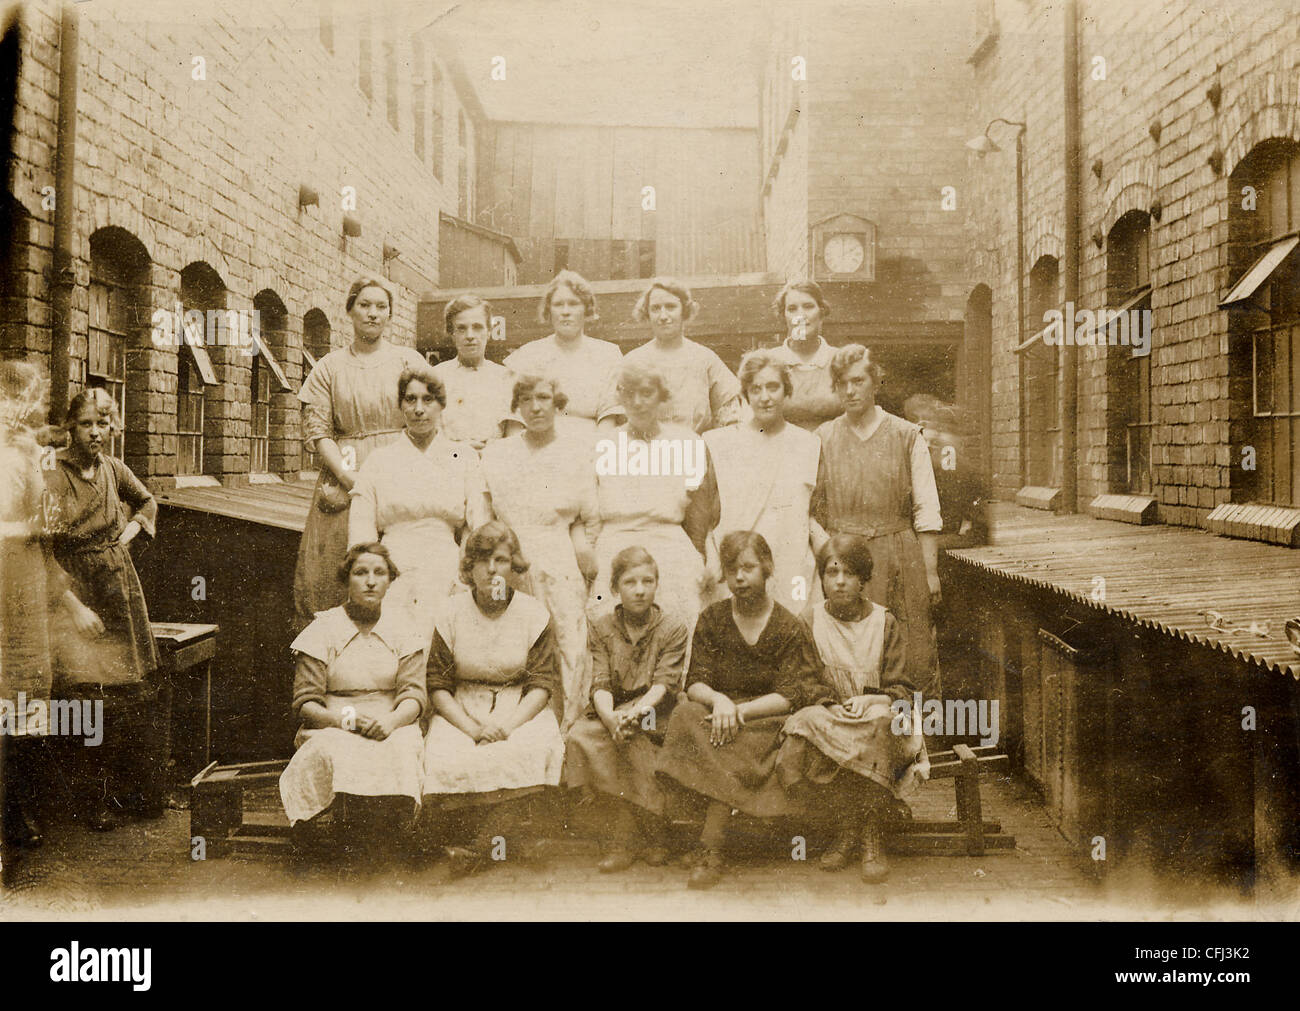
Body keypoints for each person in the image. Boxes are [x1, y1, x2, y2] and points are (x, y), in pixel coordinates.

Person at [655, 531, 827, 889]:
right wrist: (720, 702)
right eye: (731, 569)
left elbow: (790, 694)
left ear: (767, 569)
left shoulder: (787, 625)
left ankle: (711, 845)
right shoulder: (713, 619)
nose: (739, 577)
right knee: (686, 714)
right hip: (720, 717)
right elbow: (694, 681)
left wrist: (739, 713)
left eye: (748, 568)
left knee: (755, 737)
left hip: (765, 719)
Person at [42, 388, 162, 831]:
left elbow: (147, 501)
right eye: (86, 424)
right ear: (70, 428)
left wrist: (128, 535)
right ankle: (89, 801)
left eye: (103, 424)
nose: (95, 433)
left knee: (124, 695)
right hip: (75, 592)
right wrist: (71, 606)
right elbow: (42, 550)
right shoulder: (54, 473)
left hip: (119, 589)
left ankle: (126, 792)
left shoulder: (112, 468)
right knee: (85, 699)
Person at [778, 535, 928, 883]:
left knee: (879, 724)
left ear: (864, 580)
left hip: (878, 712)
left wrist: (874, 699)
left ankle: (870, 833)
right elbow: (805, 682)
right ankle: (846, 829)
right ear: (822, 579)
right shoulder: (810, 620)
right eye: (832, 573)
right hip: (832, 714)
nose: (840, 581)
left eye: (849, 573)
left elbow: (902, 686)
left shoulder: (884, 622)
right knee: (803, 725)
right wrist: (832, 705)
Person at [421, 522, 564, 875]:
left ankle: (481, 849)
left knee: (527, 747)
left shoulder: (534, 614)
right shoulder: (450, 612)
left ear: (514, 567)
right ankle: (501, 843)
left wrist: (506, 725)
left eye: (501, 560)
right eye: (482, 561)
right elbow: (437, 683)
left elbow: (542, 685)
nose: (492, 569)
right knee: (445, 752)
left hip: (521, 708)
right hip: (462, 706)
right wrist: (472, 728)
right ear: (469, 569)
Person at [293, 276, 426, 631]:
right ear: (350, 310)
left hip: (402, 469)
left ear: (390, 315)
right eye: (365, 305)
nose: (373, 314)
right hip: (346, 474)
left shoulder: (407, 362)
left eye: (381, 307)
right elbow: (319, 433)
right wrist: (350, 478)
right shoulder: (329, 368)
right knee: (341, 568)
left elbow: (428, 418)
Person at [278, 543, 426, 856]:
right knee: (337, 750)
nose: (370, 581)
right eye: (361, 573)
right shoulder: (324, 628)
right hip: (333, 720)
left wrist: (390, 721)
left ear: (389, 580)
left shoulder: (403, 627)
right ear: (347, 580)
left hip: (390, 719)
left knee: (400, 747)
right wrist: (348, 720)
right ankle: (337, 831)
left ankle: (390, 836)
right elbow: (306, 703)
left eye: (379, 573)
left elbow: (413, 694)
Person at [813, 345, 943, 695]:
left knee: (911, 648)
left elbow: (926, 508)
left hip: (899, 556)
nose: (850, 390)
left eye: (858, 380)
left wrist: (929, 571)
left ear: (875, 382)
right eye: (842, 383)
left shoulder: (905, 435)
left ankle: (916, 742)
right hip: (845, 559)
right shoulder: (823, 438)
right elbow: (812, 508)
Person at [480, 376, 600, 731]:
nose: (536, 407)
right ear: (517, 405)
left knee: (567, 639)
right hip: (507, 558)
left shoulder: (576, 453)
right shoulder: (498, 453)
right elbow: (483, 513)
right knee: (509, 639)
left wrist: (577, 543)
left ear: (557, 403)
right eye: (527, 399)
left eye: (544, 398)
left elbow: (590, 517)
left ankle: (569, 727)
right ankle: (515, 726)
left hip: (558, 557)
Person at [348, 364, 490, 646]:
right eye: (410, 399)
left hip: (446, 566)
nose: (419, 409)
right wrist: (370, 576)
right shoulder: (379, 461)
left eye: (428, 399)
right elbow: (361, 528)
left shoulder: (463, 457)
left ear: (441, 405)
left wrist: (466, 573)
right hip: (391, 566)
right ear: (400, 405)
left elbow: (479, 522)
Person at [565, 547, 687, 872]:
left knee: (635, 739)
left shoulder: (673, 627)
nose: (640, 589)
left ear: (657, 584)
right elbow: (601, 682)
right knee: (579, 737)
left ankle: (627, 839)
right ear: (616, 587)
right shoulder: (602, 627)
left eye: (648, 581)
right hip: (613, 710)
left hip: (656, 711)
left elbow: (665, 684)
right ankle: (648, 834)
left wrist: (634, 714)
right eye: (630, 582)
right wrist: (610, 717)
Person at [699, 350, 826, 613]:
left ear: (786, 390)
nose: (765, 397)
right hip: (735, 572)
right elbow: (704, 516)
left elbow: (816, 513)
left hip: (792, 568)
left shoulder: (809, 444)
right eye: (755, 389)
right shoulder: (719, 443)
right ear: (745, 394)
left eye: (773, 387)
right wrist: (712, 560)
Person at [590, 362, 713, 628]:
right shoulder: (602, 444)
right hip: (615, 543)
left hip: (671, 544)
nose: (637, 402)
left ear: (661, 396)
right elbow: (589, 507)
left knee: (679, 625)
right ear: (620, 397)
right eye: (629, 393)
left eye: (646, 393)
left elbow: (700, 508)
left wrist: (699, 554)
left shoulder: (687, 442)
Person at [0, 361, 64, 853]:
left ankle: (15, 809)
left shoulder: (25, 449)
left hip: (25, 581)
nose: (39, 406)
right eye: (33, 396)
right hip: (6, 578)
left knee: (23, 694)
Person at [605, 278, 741, 433]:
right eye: (655, 308)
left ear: (684, 310)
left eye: (670, 307)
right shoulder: (632, 361)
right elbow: (615, 413)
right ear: (647, 314)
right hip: (646, 449)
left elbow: (730, 413)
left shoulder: (704, 358)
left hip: (695, 449)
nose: (663, 316)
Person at [503, 270, 623, 437]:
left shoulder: (608, 355)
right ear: (549, 310)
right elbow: (515, 421)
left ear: (586, 309)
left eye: (573, 304)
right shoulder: (528, 355)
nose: (565, 311)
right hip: (537, 449)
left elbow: (609, 417)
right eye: (558, 304)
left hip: (589, 447)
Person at [432, 294, 513, 450]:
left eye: (477, 327)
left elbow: (514, 439)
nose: (470, 336)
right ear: (451, 334)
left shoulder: (506, 378)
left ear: (489, 331)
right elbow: (429, 437)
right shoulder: (435, 377)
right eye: (461, 328)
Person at [767, 281, 842, 431]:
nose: (800, 315)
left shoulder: (841, 360)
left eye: (808, 306)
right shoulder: (768, 362)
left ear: (821, 312)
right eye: (792, 309)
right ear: (783, 316)